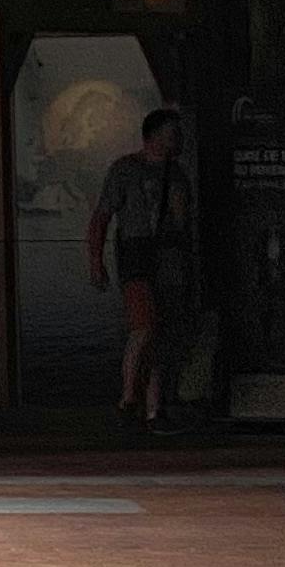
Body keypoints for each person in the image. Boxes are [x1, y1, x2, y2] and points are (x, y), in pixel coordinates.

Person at [87, 106, 192, 427]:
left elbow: (182, 223)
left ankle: (152, 407)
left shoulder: (176, 174)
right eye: (172, 133)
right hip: (139, 256)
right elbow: (101, 217)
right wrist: (96, 261)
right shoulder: (126, 170)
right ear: (155, 136)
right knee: (144, 328)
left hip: (166, 257)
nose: (178, 139)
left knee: (156, 332)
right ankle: (130, 396)